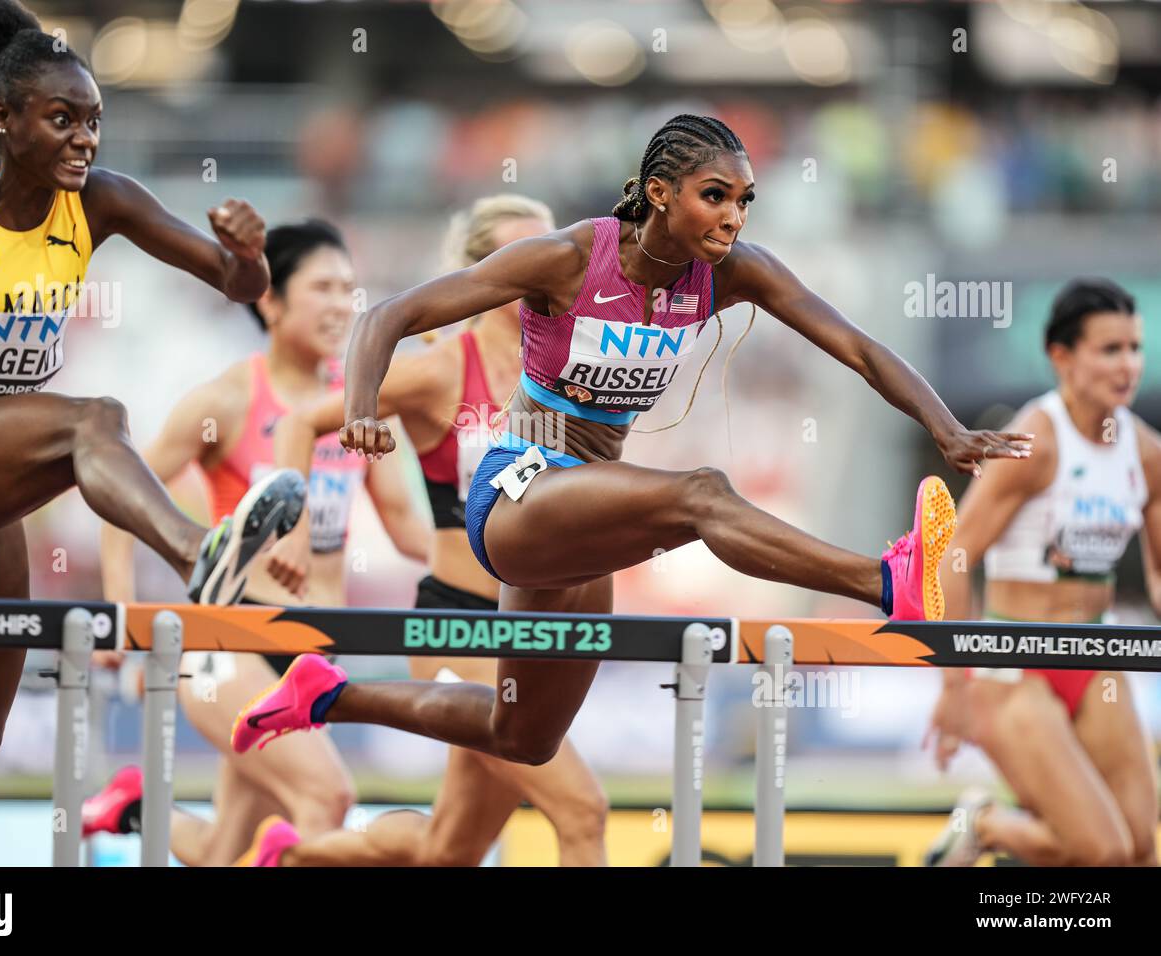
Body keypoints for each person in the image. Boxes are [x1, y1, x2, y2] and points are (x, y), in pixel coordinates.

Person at [236, 114, 1033, 865]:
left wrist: (946, 428)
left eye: (744, 201)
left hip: (585, 512)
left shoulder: (731, 274)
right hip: (518, 490)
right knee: (701, 494)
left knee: (522, 736)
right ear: (659, 193)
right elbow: (390, 317)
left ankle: (326, 695)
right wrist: (363, 409)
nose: (734, 218)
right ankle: (884, 581)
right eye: (715, 196)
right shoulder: (572, 258)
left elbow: (856, 347)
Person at [0, 0, 302, 759]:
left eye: (93, 120)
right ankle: (200, 555)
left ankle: (201, 555)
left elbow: (238, 285)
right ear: (3, 118)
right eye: (63, 119)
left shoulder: (100, 202)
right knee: (94, 418)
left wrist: (250, 254)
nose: (85, 139)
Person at [247, 196, 609, 866]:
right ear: (487, 271)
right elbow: (299, 423)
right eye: (523, 254)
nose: (547, 267)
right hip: (460, 625)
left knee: (451, 852)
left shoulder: (565, 369)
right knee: (582, 811)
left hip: (536, 625)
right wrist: (292, 533)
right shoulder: (444, 366)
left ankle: (297, 857)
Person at [83, 221, 431, 865]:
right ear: (270, 300)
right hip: (228, 648)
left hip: (311, 661)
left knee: (225, 849)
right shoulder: (226, 401)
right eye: (323, 287)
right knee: (326, 798)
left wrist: (505, 561)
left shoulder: (359, 405)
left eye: (349, 290)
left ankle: (132, 809)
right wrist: (116, 617)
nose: (341, 305)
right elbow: (117, 497)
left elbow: (413, 530)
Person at [924, 278, 1159, 867]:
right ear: (1061, 356)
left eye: (1135, 348)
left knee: (1138, 849)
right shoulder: (1036, 444)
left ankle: (991, 826)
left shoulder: (1148, 453)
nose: (1128, 364)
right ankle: (989, 824)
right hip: (1013, 664)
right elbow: (952, 557)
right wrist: (954, 684)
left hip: (1095, 658)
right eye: (1109, 349)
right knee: (1100, 852)